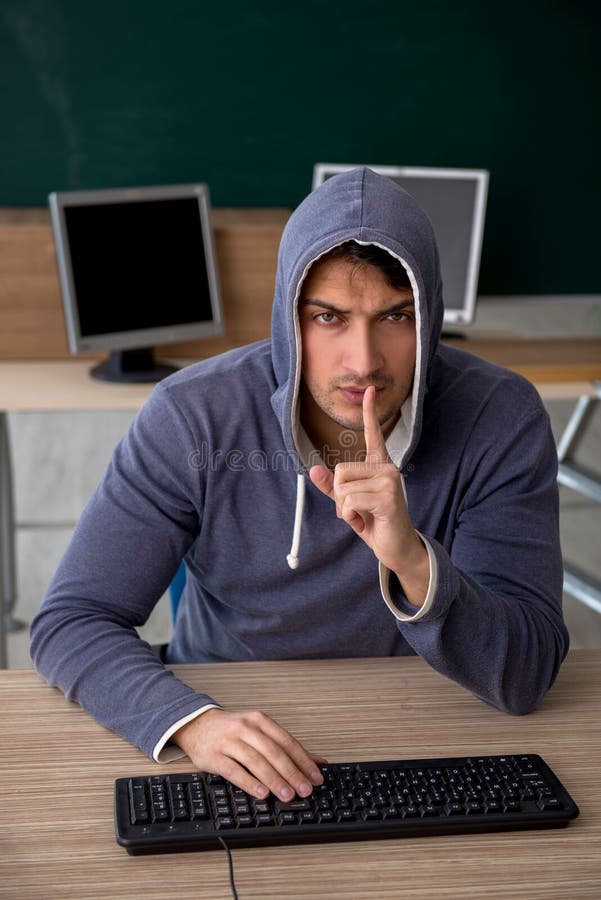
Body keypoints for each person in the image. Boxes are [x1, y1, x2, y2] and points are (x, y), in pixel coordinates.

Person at [31, 167, 568, 805]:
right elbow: (71, 620)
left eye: (395, 316)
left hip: (424, 722)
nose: (364, 361)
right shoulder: (192, 414)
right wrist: (195, 724)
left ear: (428, 314)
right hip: (231, 718)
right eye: (329, 318)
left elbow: (526, 674)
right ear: (290, 318)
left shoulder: (500, 416)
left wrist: (414, 561)